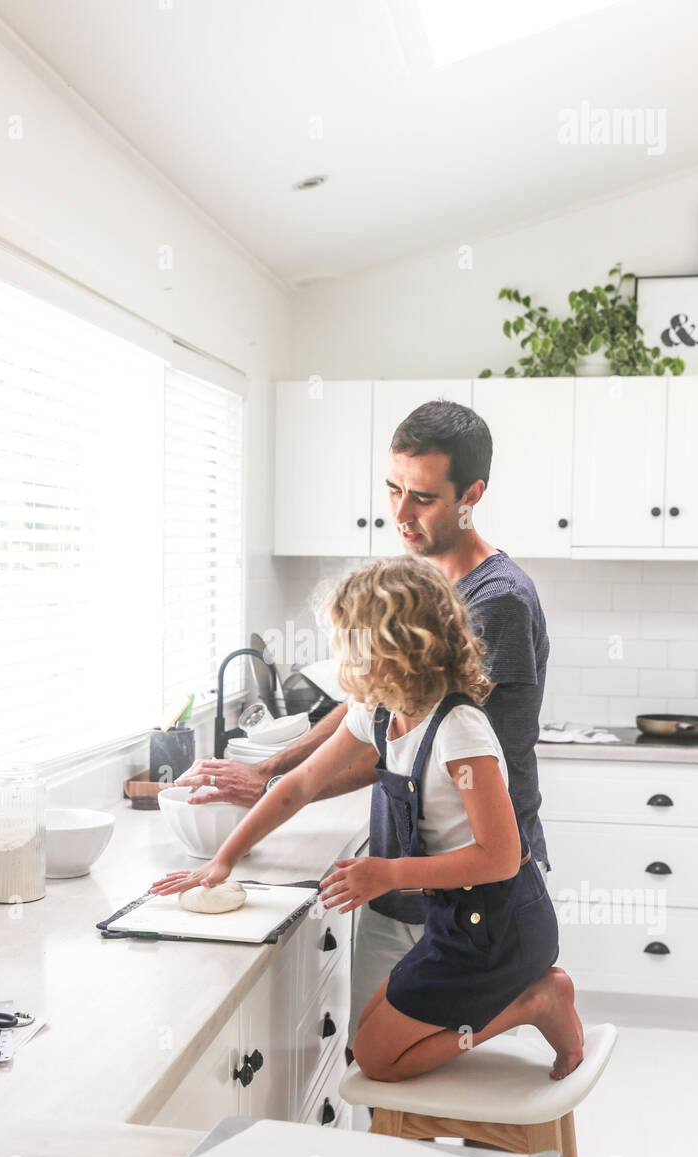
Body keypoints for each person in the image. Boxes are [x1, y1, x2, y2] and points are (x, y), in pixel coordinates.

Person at [176, 400, 551, 1059]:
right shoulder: (420, 581)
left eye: (423, 498)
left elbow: (420, 759)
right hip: (400, 884)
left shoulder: (496, 605)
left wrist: (283, 787)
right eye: (393, 490)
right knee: (379, 1064)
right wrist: (266, 780)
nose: (400, 514)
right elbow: (368, 713)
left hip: (475, 896)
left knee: (435, 1083)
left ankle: (532, 1012)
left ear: (473, 497)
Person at [151, 556, 582, 1082]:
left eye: (349, 643)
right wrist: (223, 860)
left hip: (497, 923)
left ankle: (536, 1004)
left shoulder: (459, 729)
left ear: (396, 649)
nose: (343, 658)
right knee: (366, 1035)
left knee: (376, 1060)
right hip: (455, 918)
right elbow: (298, 786)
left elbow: (499, 859)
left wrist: (387, 873)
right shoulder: (378, 712)